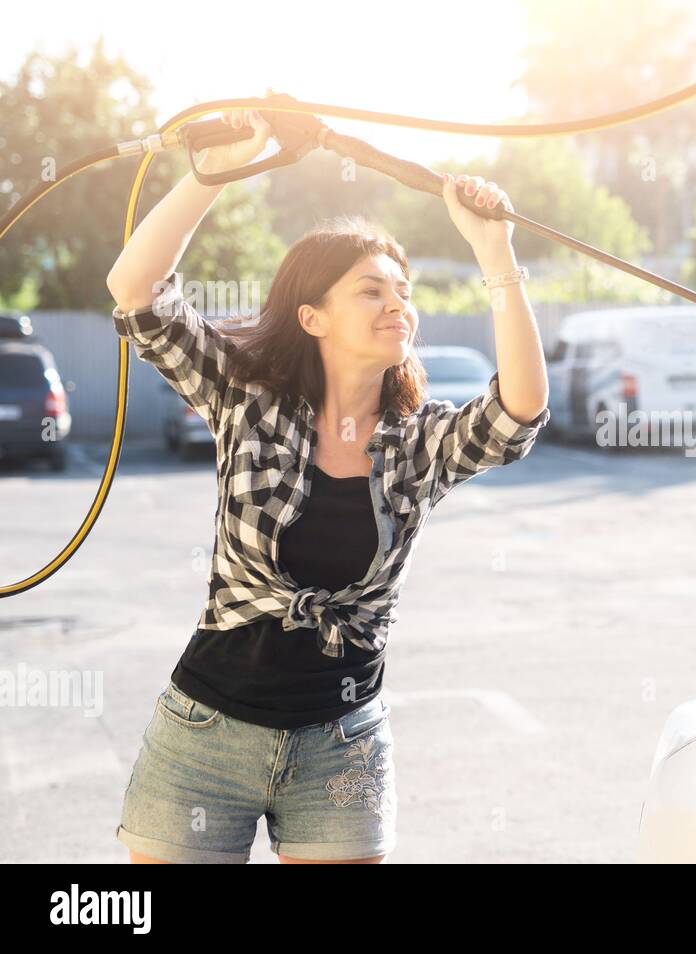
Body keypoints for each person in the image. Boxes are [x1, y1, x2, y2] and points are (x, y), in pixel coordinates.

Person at [106, 108, 550, 863]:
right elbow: (137, 290)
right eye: (371, 290)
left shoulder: (418, 444)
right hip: (205, 736)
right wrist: (223, 168)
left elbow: (519, 410)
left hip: (342, 749)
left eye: (403, 291)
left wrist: (494, 249)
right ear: (311, 315)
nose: (397, 304)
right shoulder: (248, 399)